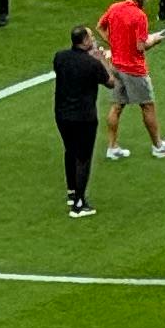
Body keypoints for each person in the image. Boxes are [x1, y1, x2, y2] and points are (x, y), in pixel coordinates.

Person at [99, 0, 165, 162]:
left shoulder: (115, 8)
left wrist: (114, 44)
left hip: (117, 66)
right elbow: (141, 46)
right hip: (134, 70)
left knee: (117, 106)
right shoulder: (139, 16)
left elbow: (100, 27)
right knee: (147, 105)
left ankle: (112, 147)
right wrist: (157, 39)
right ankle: (158, 146)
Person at [50, 21, 112, 213]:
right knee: (83, 158)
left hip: (62, 115)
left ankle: (71, 193)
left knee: (70, 151)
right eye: (91, 37)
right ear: (84, 41)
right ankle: (79, 203)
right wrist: (102, 59)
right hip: (84, 118)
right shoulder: (92, 64)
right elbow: (111, 82)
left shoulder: (60, 57)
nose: (94, 40)